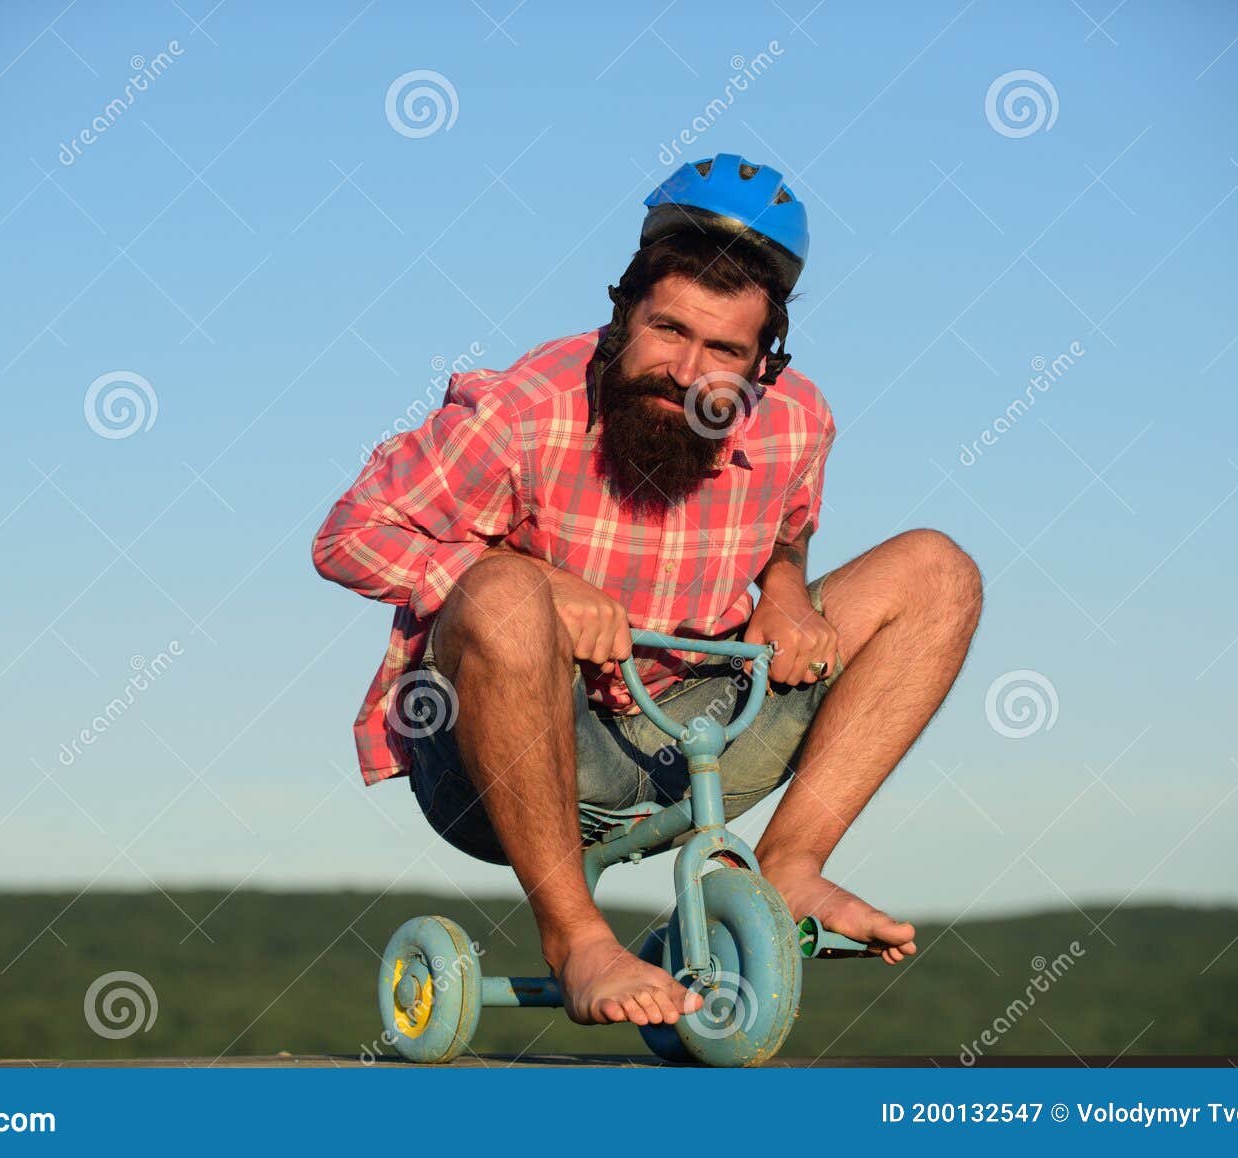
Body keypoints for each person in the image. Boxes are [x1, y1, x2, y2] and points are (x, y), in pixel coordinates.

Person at [313, 153, 982, 1029]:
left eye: (724, 350)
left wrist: (784, 587)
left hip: (693, 731)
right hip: (506, 752)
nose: (685, 368)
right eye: (668, 330)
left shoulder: (797, 421)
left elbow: (790, 521)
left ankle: (786, 867)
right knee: (506, 594)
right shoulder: (524, 410)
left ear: (763, 363)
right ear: (624, 311)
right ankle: (575, 936)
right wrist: (537, 584)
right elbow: (347, 535)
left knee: (938, 570)